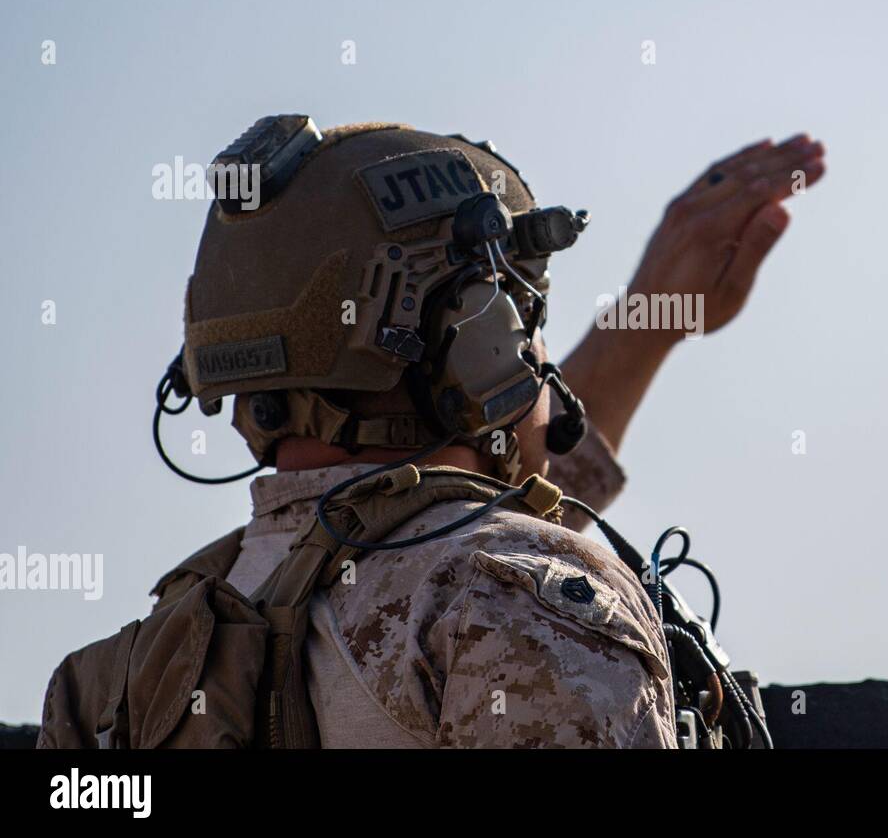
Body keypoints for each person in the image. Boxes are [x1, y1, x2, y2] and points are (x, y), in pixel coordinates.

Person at [40, 119, 826, 749]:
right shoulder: (513, 599)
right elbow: (478, 549)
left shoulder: (116, 682)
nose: (531, 358)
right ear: (479, 348)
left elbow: (443, 523)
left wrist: (648, 325)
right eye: (522, 317)